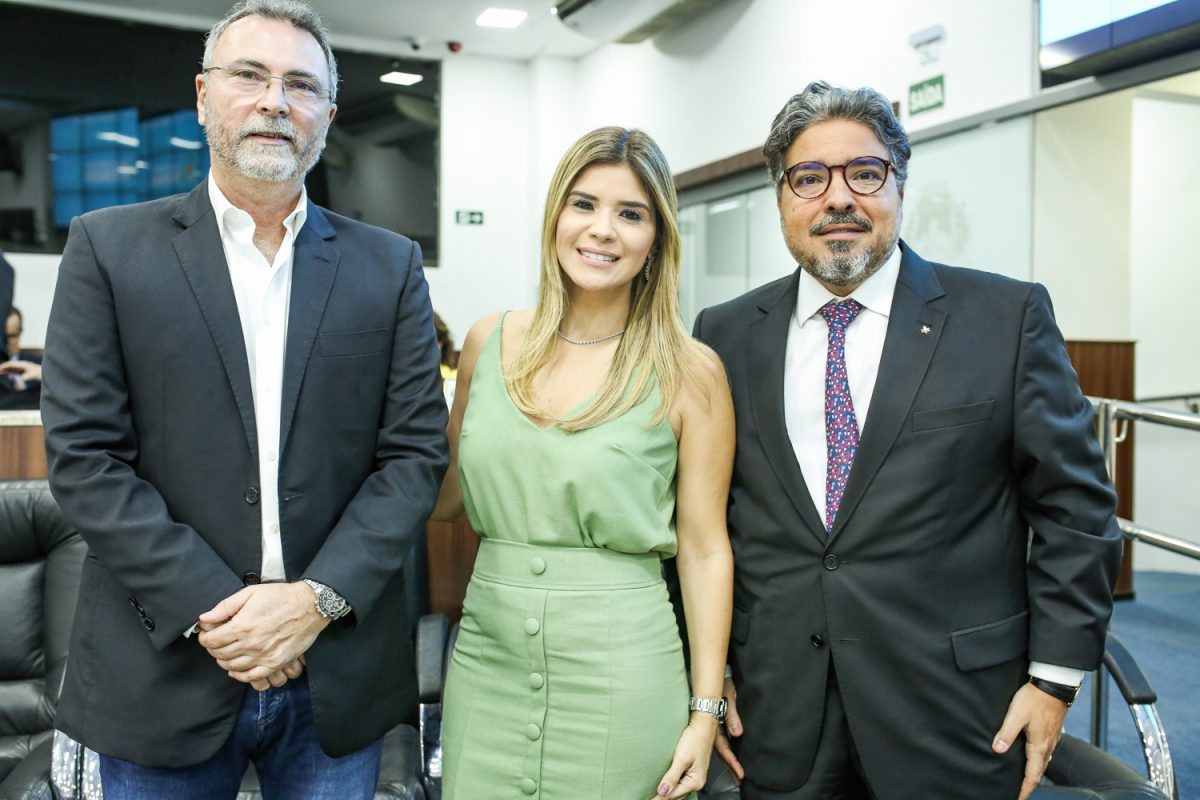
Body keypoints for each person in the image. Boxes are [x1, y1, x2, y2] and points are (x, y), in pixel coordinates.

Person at [39, 1, 448, 797]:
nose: (274, 101)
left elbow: (413, 457)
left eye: (300, 85)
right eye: (250, 76)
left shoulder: (388, 266)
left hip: (335, 674)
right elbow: (86, 460)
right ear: (202, 97)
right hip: (161, 670)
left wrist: (313, 602)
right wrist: (229, 612)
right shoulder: (107, 248)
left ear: (326, 115)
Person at [693, 81, 1123, 800]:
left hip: (955, 715)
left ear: (898, 185)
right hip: (776, 713)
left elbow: (1075, 509)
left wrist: (1054, 679)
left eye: (865, 173)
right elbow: (707, 522)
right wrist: (713, 678)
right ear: (781, 198)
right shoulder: (724, 334)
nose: (838, 199)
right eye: (809, 178)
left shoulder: (1003, 316)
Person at [433, 126, 735, 800]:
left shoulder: (690, 371)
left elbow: (705, 549)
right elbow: (443, 494)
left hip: (624, 670)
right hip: (488, 660)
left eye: (631, 214)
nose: (602, 230)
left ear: (658, 237)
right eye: (584, 204)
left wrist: (704, 711)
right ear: (554, 217)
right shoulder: (489, 339)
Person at [0, 307, 42, 409]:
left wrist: (43, 374)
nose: (7, 342)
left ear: (20, 332)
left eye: (12, 336)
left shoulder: (39, 365)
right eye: (3, 336)